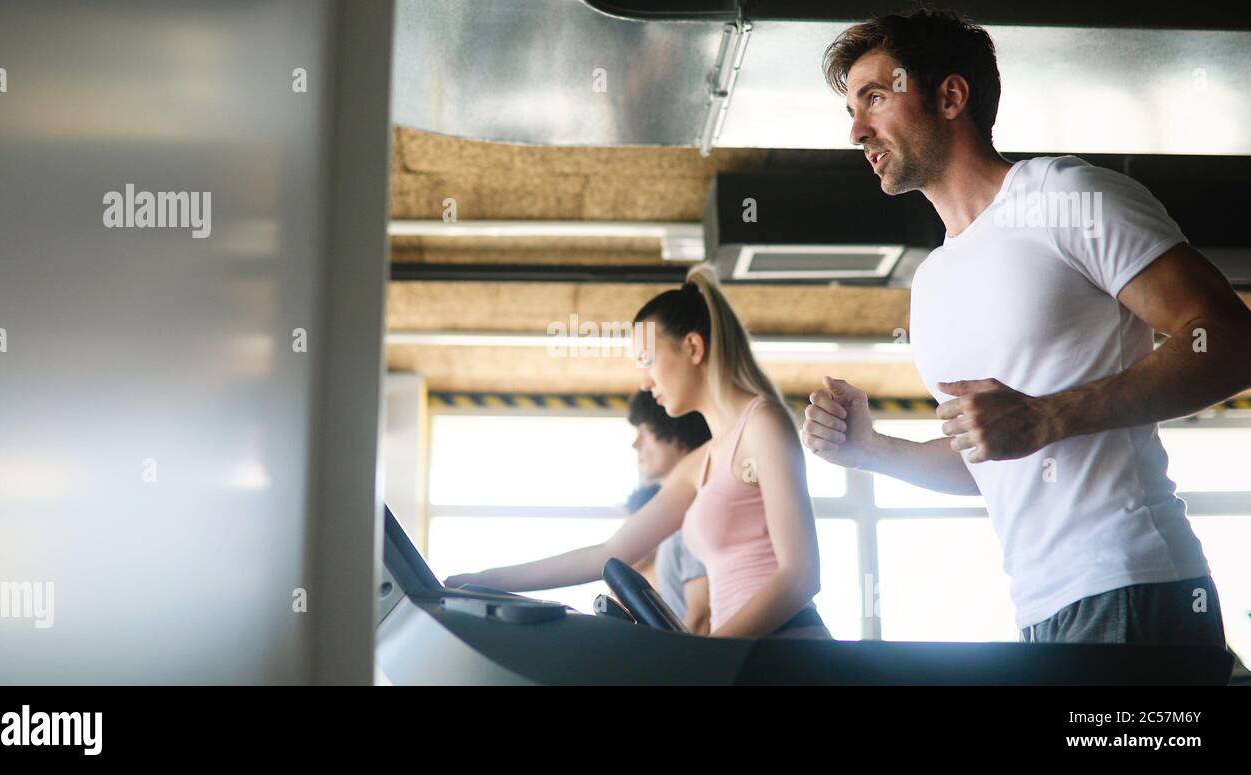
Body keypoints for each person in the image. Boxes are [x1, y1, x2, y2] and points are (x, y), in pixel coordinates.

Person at [805, 8, 1251, 645]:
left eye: (875, 97)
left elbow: (1229, 339)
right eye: (852, 108)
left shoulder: (1062, 196)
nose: (856, 131)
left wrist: (1047, 416)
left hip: (1134, 585)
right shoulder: (932, 282)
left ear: (950, 96)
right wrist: (869, 450)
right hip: (1041, 612)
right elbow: (992, 457)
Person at [446, 264, 830, 638]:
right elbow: (608, 553)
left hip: (789, 650)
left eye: (648, 361)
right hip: (743, 659)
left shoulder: (763, 423)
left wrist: (713, 658)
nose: (645, 382)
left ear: (693, 347)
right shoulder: (699, 465)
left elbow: (801, 576)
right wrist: (484, 581)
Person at [623, 390, 712, 635]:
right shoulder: (681, 516)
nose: (636, 443)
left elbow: (701, 618)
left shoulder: (693, 511)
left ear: (676, 436)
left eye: (645, 432)